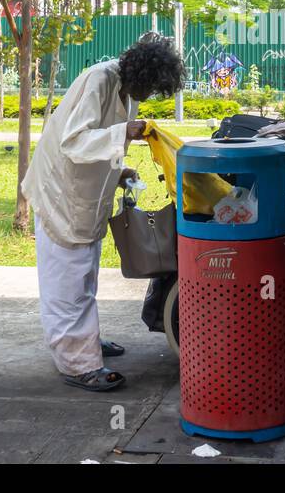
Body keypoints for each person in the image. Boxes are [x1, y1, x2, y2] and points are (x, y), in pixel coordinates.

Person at [20, 34, 185, 391]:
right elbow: (74, 141)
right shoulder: (99, 79)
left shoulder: (127, 90)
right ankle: (77, 362)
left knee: (84, 275)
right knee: (66, 283)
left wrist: (120, 169)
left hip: (86, 196)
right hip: (61, 193)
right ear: (142, 74)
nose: (152, 94)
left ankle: (84, 339)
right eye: (154, 86)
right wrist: (124, 131)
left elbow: (104, 140)